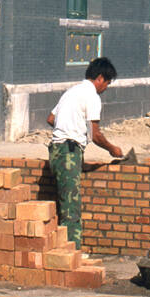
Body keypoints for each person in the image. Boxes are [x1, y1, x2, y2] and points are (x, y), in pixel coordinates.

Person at [46, 57, 123, 249]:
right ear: (99, 78)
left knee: (63, 201)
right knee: (71, 208)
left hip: (56, 151)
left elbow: (50, 119)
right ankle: (72, 254)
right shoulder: (92, 97)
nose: (106, 87)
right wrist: (113, 149)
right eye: (107, 83)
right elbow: (96, 135)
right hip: (68, 151)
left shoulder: (71, 91)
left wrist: (70, 128)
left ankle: (62, 251)